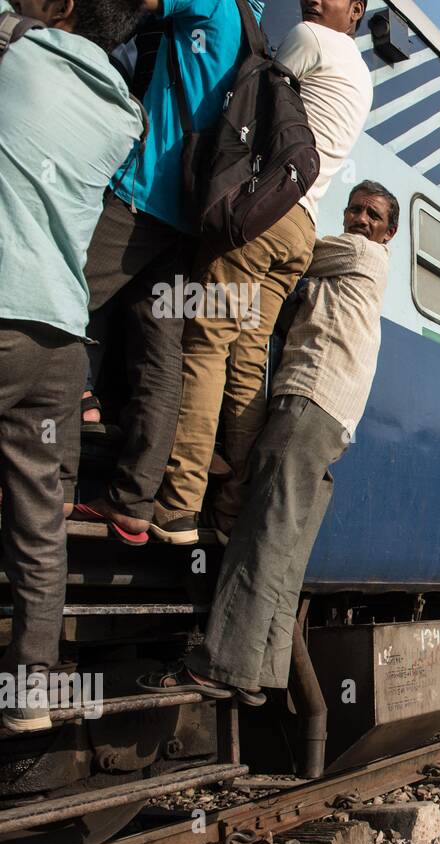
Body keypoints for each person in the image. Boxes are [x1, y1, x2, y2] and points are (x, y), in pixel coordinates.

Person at [138, 180, 397, 703]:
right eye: (354, 209)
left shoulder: (357, 251)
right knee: (289, 548)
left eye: (373, 215)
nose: (360, 219)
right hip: (335, 415)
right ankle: (262, 670)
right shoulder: (354, 267)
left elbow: (292, 249)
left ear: (387, 232)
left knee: (264, 530)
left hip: (310, 398)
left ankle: (220, 665)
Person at [153, 0, 373, 545]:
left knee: (205, 345)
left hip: (260, 219)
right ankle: (230, 510)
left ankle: (178, 506)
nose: (314, 0)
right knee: (249, 363)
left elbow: (254, 101)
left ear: (356, 9)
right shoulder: (363, 77)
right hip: (299, 227)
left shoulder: (309, 38)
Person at [66, 0, 264, 546]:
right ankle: (133, 500)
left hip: (143, 196)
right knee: (160, 353)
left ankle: (51, 474)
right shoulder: (251, 24)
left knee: (58, 305)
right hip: (188, 217)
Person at [0, 0, 147, 731]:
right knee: (39, 522)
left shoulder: (16, 53)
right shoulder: (124, 118)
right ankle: (30, 687)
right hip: (60, 339)